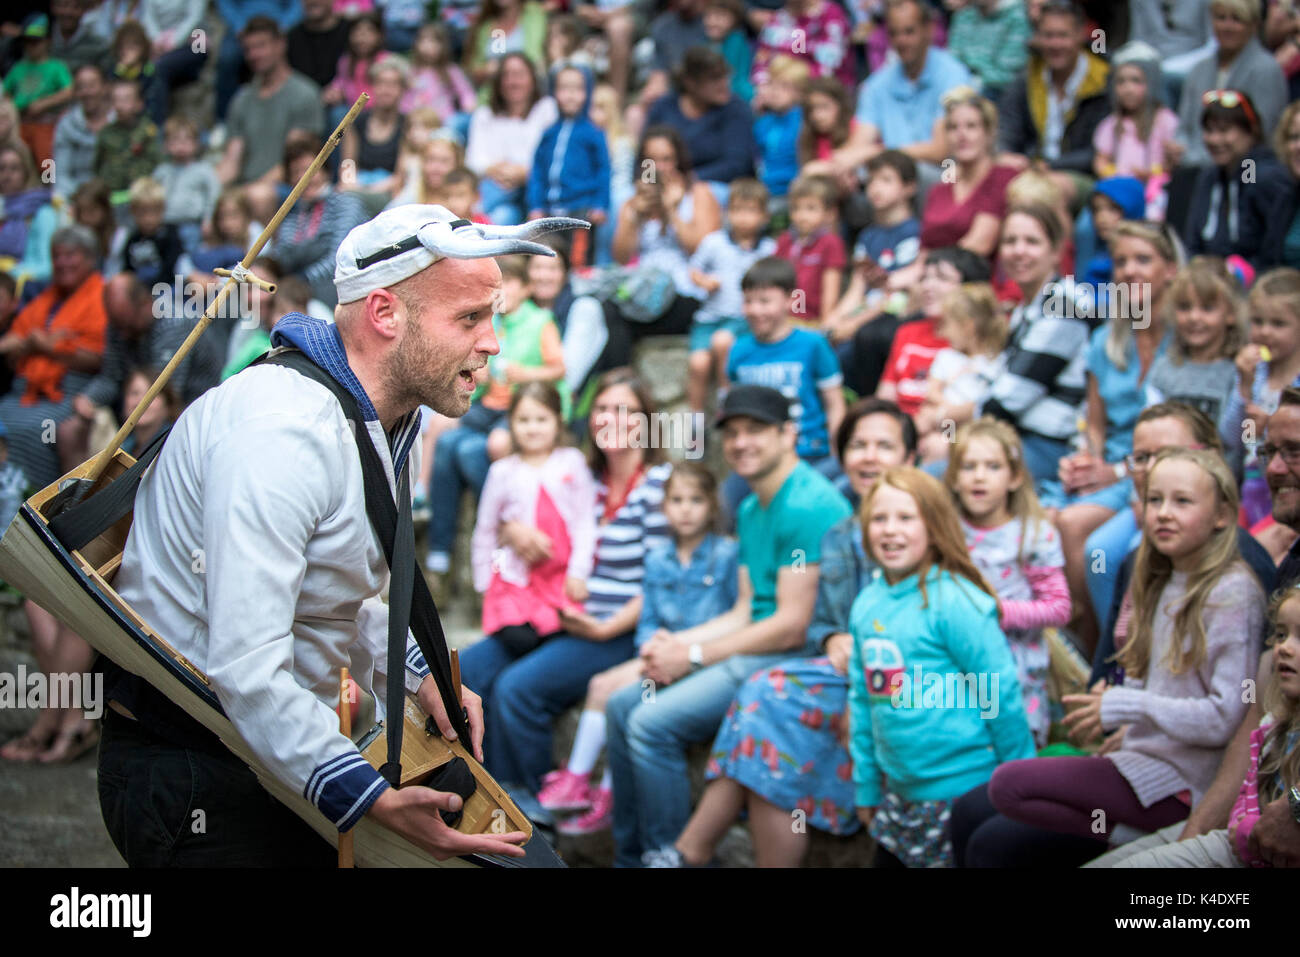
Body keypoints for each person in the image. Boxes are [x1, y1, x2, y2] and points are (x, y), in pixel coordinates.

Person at [94, 204, 586, 865]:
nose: (494, 341)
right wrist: (372, 800)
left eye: (492, 316)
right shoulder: (284, 434)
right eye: (470, 318)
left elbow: (328, 588)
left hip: (280, 750)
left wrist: (417, 674)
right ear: (385, 313)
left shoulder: (381, 416)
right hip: (195, 773)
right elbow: (248, 668)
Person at [607, 384, 851, 867]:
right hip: (752, 644)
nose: (741, 442)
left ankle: (671, 854)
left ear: (789, 434)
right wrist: (675, 643)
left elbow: (790, 625)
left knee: (649, 724)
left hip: (792, 656)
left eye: (756, 430)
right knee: (619, 704)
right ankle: (632, 857)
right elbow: (744, 609)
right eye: (733, 432)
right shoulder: (749, 505)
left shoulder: (807, 506)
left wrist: (692, 656)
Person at [667, 399, 916, 867]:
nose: (869, 456)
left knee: (763, 694)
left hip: (896, 682)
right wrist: (830, 640)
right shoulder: (844, 532)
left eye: (884, 446)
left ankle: (687, 852)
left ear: (910, 457)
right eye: (858, 445)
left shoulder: (920, 527)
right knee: (766, 710)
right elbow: (822, 622)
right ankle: (689, 852)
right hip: (843, 670)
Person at [990, 448, 1266, 858]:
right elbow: (1151, 674)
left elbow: (1225, 718)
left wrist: (1125, 705)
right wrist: (1118, 716)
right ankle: (1128, 835)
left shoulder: (1232, 592)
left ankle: (1138, 837)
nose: (1164, 513)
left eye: (1182, 501)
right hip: (1142, 756)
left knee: (1009, 786)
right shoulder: (1162, 576)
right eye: (1154, 500)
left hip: (1183, 780)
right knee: (993, 815)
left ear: (1223, 515)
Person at [459, 367, 672, 801]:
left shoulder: (660, 487)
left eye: (625, 411)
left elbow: (664, 580)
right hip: (556, 611)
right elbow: (524, 517)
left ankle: (530, 802)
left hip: (615, 627)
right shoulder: (580, 476)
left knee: (517, 688)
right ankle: (475, 788)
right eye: (603, 409)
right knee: (467, 672)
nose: (612, 419)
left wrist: (606, 628)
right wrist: (509, 532)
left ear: (646, 420)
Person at [537, 462, 739, 836]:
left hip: (700, 658)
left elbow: (731, 616)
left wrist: (676, 651)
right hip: (658, 653)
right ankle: (579, 781)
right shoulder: (659, 556)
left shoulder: (727, 555)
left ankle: (609, 794)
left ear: (712, 505)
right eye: (676, 500)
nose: (685, 509)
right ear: (664, 507)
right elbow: (648, 619)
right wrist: (649, 648)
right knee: (601, 684)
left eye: (695, 500)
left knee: (625, 700)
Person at [851, 466, 1035, 867]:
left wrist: (1022, 780)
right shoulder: (866, 604)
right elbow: (863, 700)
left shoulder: (955, 601)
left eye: (905, 518)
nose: (889, 529)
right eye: (879, 518)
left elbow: (997, 691)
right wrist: (866, 786)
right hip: (900, 796)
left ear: (933, 526)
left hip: (966, 791)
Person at [1102, 585, 1298, 867]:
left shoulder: (1235, 591)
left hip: (1204, 806)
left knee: (1017, 786)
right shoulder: (1272, 727)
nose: (1284, 648)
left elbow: (1219, 718)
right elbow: (1247, 797)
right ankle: (1120, 833)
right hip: (1235, 834)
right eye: (1280, 635)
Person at [1056, 220, 1179, 651]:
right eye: (1120, 262)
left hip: (1160, 469)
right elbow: (1094, 422)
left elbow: (1186, 432)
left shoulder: (1189, 336)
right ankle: (1081, 646)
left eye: (1143, 260)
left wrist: (1116, 470)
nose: (1129, 271)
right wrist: (1087, 459)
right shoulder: (1106, 339)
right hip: (1111, 467)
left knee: (1074, 526)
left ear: (1171, 269)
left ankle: (1095, 648)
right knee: (1044, 520)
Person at [425, 255, 565, 583]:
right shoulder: (493, 321)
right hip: (490, 404)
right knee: (444, 435)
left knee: (484, 447)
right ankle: (435, 540)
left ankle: (500, 520)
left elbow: (560, 369)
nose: (504, 293)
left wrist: (524, 373)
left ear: (526, 288)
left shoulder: (540, 320)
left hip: (523, 407)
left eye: (511, 284)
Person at [948, 418, 1069, 747]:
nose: (979, 476)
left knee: (1013, 750)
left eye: (993, 466)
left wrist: (997, 612)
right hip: (957, 662)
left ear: (1015, 477)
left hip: (1016, 667)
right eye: (968, 466)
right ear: (954, 478)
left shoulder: (1033, 533)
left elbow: (1059, 608)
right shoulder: (946, 532)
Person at [470, 382, 596, 668]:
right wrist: (484, 583)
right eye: (523, 420)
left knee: (562, 627)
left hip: (560, 576)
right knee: (518, 638)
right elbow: (486, 528)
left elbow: (585, 522)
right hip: (517, 576)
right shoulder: (502, 471)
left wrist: (578, 573)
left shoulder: (572, 462)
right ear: (511, 423)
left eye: (541, 419)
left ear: (558, 421)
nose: (532, 428)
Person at [978, 203, 1092, 504]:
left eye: (1032, 242)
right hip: (1019, 438)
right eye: (1010, 241)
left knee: (940, 473)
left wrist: (947, 420)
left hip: (1053, 448)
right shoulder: (1027, 307)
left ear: (1056, 252)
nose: (1019, 251)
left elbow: (1006, 402)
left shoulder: (1065, 304)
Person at [55, 272, 222, 472]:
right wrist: (88, 399)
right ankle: (78, 497)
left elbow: (164, 394)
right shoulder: (119, 324)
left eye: (127, 326)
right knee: (71, 428)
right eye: (118, 326)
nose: (123, 334)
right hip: (136, 407)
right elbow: (111, 377)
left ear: (145, 304)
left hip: (188, 411)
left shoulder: (173, 322)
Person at [724, 256, 845, 509]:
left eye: (765, 301)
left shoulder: (812, 344)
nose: (755, 310)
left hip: (810, 455)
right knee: (725, 503)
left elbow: (835, 404)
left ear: (790, 300)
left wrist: (837, 450)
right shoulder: (738, 350)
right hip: (758, 459)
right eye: (748, 301)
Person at [0, 225, 106, 492]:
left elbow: (96, 357)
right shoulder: (45, 298)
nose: (62, 263)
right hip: (24, 392)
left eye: (71, 255)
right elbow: (14, 344)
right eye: (57, 256)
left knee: (36, 428)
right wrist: (37, 344)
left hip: (70, 392)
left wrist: (46, 347)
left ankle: (36, 500)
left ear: (90, 258)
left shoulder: (100, 296)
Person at [997, 0, 1110, 213]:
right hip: (1031, 169)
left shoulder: (1102, 82)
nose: (1055, 44)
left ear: (1080, 36)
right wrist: (1006, 154)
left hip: (1081, 176)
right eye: (1048, 35)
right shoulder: (1027, 78)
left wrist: (1050, 167)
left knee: (1044, 192)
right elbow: (1007, 130)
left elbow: (1098, 150)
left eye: (1063, 35)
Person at [685, 179, 777, 417]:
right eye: (737, 210)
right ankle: (695, 418)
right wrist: (705, 282)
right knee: (698, 363)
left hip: (743, 320)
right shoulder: (713, 243)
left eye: (750, 211)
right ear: (727, 212)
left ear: (765, 216)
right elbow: (694, 270)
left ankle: (727, 398)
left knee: (723, 341)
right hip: (709, 318)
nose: (743, 217)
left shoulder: (768, 249)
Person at [1220, 268, 1300, 528]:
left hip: (1289, 489)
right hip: (1251, 485)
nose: (1264, 332)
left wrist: (1270, 429)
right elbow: (1235, 439)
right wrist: (1244, 384)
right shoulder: (1255, 372)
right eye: (1257, 321)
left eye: (1278, 324)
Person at [1181, 89, 1292, 274]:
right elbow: (1193, 242)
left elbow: (1271, 251)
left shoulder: (1258, 172)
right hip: (1209, 280)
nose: (1215, 140)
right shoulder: (1210, 176)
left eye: (1224, 130)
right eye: (1209, 130)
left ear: (1251, 131)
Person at [853, 0, 973, 168]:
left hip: (941, 172)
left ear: (929, 30)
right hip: (887, 173)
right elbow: (858, 145)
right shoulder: (877, 84)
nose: (901, 41)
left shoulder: (953, 75)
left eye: (909, 32)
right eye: (894, 33)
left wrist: (878, 153)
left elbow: (940, 151)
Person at [825, 150, 920, 361]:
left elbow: (899, 297)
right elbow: (856, 290)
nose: (875, 187)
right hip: (864, 312)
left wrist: (853, 324)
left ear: (910, 187)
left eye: (886, 180)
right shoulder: (868, 236)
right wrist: (831, 322)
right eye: (871, 181)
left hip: (892, 316)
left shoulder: (916, 234)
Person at [1175, 0, 1289, 169]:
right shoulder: (1198, 70)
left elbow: (1261, 135)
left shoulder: (1267, 70)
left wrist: (1197, 157)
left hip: (1250, 167)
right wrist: (1180, 150)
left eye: (1237, 19)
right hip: (1196, 166)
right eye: (1221, 18)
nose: (1227, 26)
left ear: (1254, 25)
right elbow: (1184, 128)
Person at [215, 17, 325, 189]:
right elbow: (232, 160)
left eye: (260, 46)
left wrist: (252, 191)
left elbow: (294, 161)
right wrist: (209, 190)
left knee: (259, 196)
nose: (253, 55)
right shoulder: (242, 99)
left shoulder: (304, 94)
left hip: (287, 187)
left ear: (280, 45)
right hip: (248, 188)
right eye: (248, 49)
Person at [271, 135, 369, 308]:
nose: (304, 178)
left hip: (340, 287)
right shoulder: (292, 215)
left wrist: (304, 279)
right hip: (298, 293)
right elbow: (280, 257)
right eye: (296, 172)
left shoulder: (345, 202)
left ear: (325, 171)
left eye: (310, 170)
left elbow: (339, 258)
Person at [1144, 258, 1244, 428]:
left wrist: (1245, 392)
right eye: (1184, 307)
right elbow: (1150, 425)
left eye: (1207, 308)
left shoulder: (1239, 372)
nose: (1194, 317)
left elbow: (1245, 438)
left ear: (1231, 314)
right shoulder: (1164, 369)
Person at [644, 46, 755, 192]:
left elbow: (737, 164)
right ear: (690, 82)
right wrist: (649, 183)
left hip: (717, 186)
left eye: (725, 76)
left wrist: (690, 179)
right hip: (663, 182)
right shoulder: (664, 107)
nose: (724, 84)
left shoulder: (735, 110)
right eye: (714, 78)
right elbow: (645, 154)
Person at [464, 52, 557, 226]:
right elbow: (473, 161)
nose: (513, 82)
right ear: (498, 82)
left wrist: (524, 172)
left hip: (533, 187)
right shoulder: (484, 115)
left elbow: (551, 156)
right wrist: (495, 169)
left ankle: (471, 219)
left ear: (533, 80)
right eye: (507, 75)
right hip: (496, 186)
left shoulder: (546, 109)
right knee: (503, 216)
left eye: (520, 75)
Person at [525, 64, 610, 252]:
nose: (570, 95)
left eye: (577, 89)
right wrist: (536, 204)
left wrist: (600, 204)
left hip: (581, 209)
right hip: (549, 210)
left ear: (587, 93)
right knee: (551, 252)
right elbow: (537, 170)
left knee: (579, 257)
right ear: (554, 92)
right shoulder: (549, 132)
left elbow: (603, 169)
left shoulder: (593, 132)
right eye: (564, 89)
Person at [1091, 42, 1180, 220]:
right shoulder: (1111, 124)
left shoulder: (1165, 120)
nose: (1128, 89)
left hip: (1152, 189)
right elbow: (1100, 159)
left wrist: (1155, 172)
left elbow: (1172, 161)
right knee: (1087, 224)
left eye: (1136, 81)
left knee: (1154, 215)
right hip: (1118, 192)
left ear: (1152, 84)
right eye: (1121, 82)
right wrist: (1111, 174)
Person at [772, 174, 845, 327]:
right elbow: (774, 280)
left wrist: (825, 325)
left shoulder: (830, 243)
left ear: (829, 213)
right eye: (796, 208)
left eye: (811, 208)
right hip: (781, 318)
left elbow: (831, 288)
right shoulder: (785, 240)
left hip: (811, 321)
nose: (802, 216)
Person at [4, 13, 74, 167]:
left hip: (45, 123)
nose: (31, 46)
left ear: (47, 41)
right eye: (27, 41)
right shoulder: (18, 68)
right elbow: (5, 94)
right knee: (16, 162)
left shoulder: (56, 66)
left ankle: (50, 188)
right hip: (19, 124)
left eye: (36, 41)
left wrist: (43, 104)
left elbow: (69, 91)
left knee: (47, 161)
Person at [152, 114, 220, 253]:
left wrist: (209, 219)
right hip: (165, 225)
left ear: (197, 143)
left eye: (187, 140)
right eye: (175, 140)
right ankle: (174, 276)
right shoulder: (161, 171)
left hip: (192, 225)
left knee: (187, 258)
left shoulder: (204, 170)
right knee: (169, 258)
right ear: (165, 144)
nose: (181, 145)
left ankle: (184, 276)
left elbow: (214, 196)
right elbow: (152, 198)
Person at [946, 0, 1032, 103]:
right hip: (961, 88)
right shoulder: (962, 17)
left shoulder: (1017, 18)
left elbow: (1006, 74)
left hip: (998, 94)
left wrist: (972, 84)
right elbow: (953, 62)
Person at [52, 62, 114, 202]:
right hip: (76, 196)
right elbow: (59, 173)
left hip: (115, 196)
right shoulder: (66, 125)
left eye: (92, 86)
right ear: (75, 93)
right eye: (81, 87)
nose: (86, 92)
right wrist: (81, 198)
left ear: (105, 88)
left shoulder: (119, 122)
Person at [751, 54, 807, 208]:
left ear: (800, 92)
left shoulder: (804, 120)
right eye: (772, 84)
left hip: (795, 192)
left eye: (784, 86)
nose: (775, 91)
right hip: (766, 191)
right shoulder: (762, 123)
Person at [0, 142, 56, 292]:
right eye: (2, 168)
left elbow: (47, 268)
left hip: (26, 288)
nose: (7, 175)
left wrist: (9, 271)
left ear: (26, 172)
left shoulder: (42, 212)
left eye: (14, 169)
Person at [92, 78, 160, 201]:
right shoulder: (105, 133)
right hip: (111, 193)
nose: (119, 105)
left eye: (125, 100)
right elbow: (98, 164)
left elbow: (156, 162)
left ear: (139, 104)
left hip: (140, 195)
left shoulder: (147, 131)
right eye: (115, 100)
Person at [286, 0, 351, 90]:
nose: (313, 1)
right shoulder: (290, 37)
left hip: (345, 99)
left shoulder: (351, 32)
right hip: (303, 98)